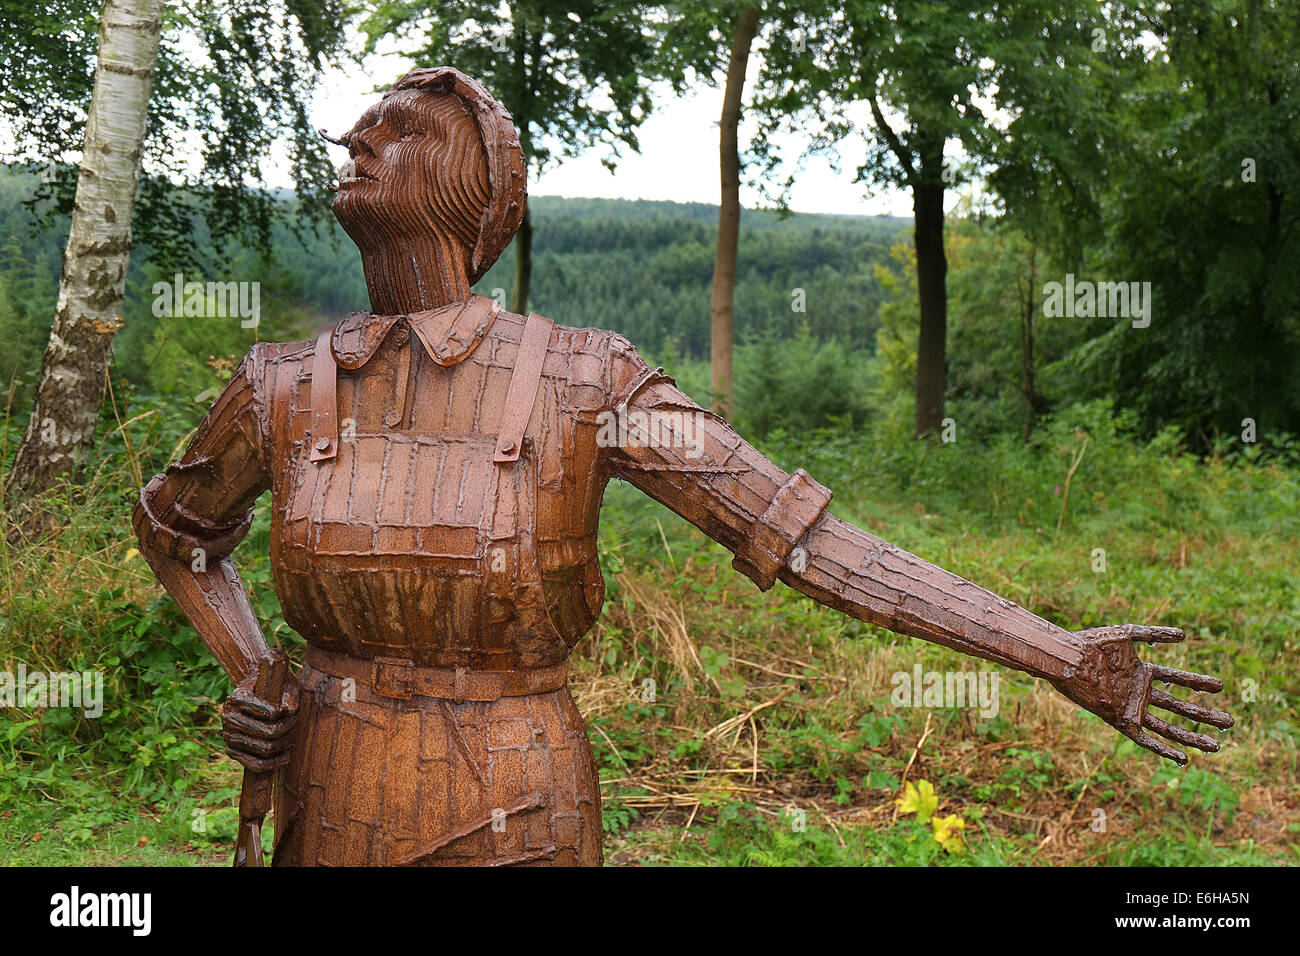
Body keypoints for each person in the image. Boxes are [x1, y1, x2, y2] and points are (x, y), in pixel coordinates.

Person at [132, 67, 1232, 866]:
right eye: (361, 125)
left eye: (399, 128)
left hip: (516, 805)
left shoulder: (584, 380)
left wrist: (1054, 652)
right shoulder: (283, 384)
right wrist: (254, 666)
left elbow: (796, 533)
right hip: (326, 797)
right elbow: (176, 528)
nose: (357, 138)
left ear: (472, 188)